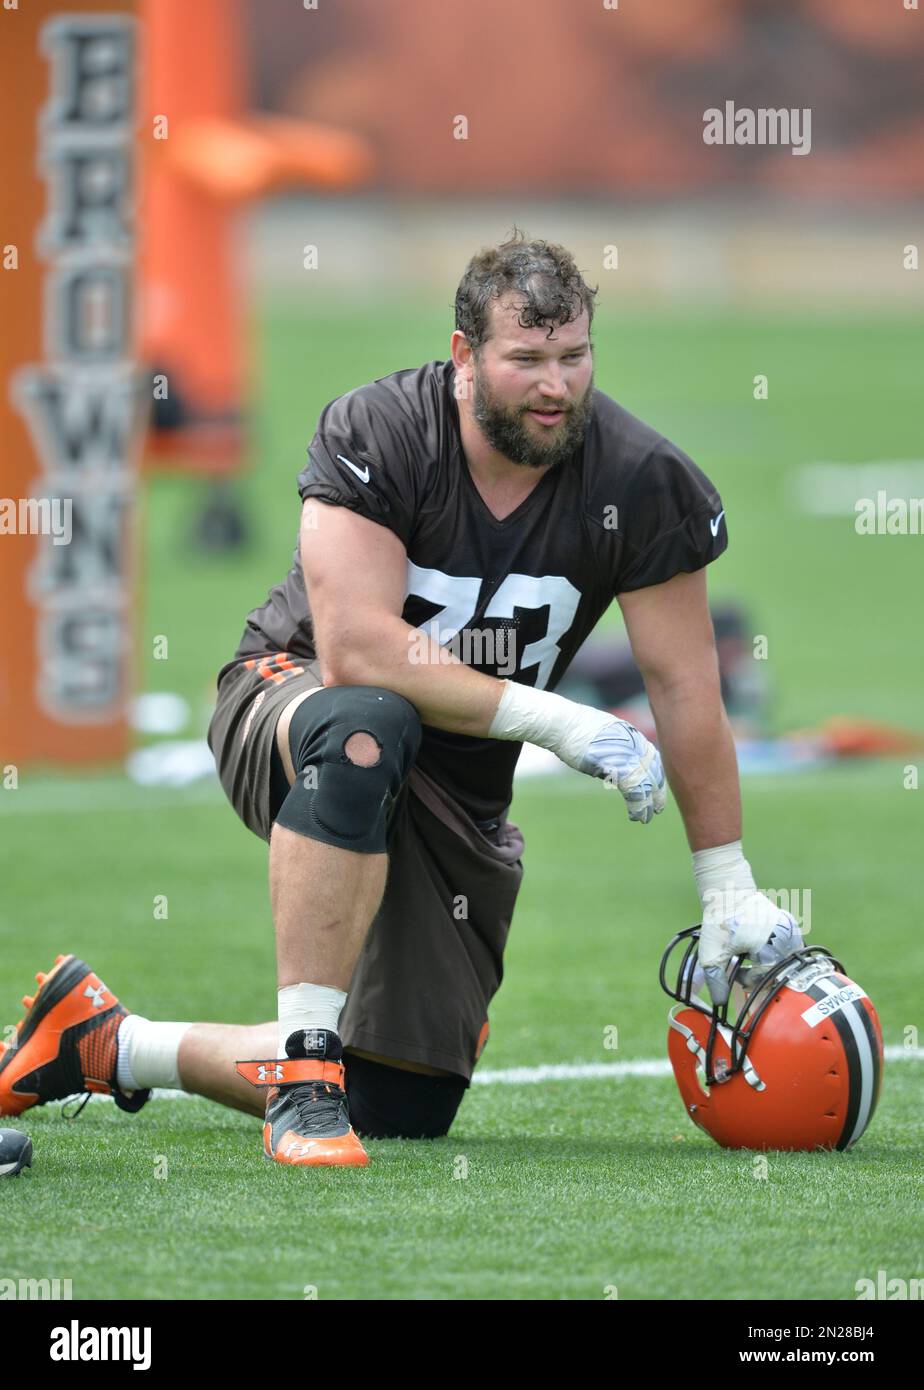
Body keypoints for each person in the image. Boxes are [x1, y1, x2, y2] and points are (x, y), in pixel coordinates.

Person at [0, 230, 800, 1165]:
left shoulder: (637, 477)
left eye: (575, 357)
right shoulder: (381, 430)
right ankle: (304, 1073)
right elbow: (356, 649)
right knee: (366, 726)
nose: (556, 386)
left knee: (397, 1101)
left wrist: (727, 882)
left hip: (458, 778)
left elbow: (685, 686)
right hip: (292, 700)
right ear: (464, 356)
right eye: (527, 360)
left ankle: (105, 1041)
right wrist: (558, 718)